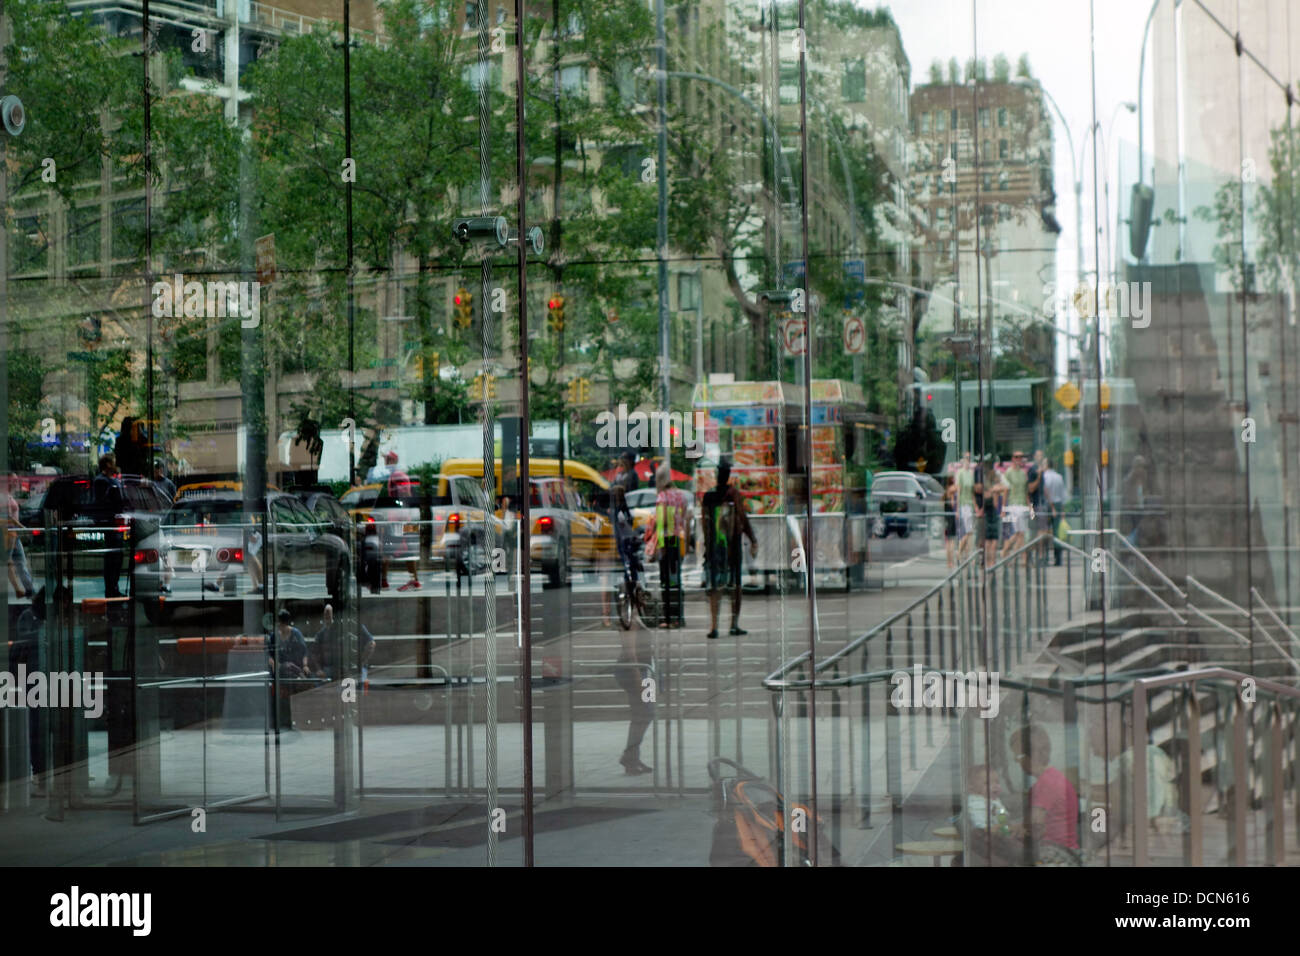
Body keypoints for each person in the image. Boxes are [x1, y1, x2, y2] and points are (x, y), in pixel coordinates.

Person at [699, 459, 757, 639]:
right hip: (732, 545)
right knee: (735, 584)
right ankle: (734, 624)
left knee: (716, 585)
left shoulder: (708, 496)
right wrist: (753, 539)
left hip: (715, 545)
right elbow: (742, 517)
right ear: (728, 475)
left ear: (717, 475)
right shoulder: (734, 494)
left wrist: (708, 544)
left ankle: (714, 626)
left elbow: (704, 522)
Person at [1010, 724, 1080, 860]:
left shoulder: (1045, 785)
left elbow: (1035, 829)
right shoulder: (1054, 777)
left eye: (1017, 756)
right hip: (1067, 851)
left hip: (1053, 854)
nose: (1015, 760)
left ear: (1033, 754)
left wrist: (1006, 832)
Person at [646, 463, 690, 628]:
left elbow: (662, 521)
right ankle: (679, 616)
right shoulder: (682, 496)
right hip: (678, 539)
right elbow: (684, 518)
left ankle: (669, 618)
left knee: (665, 580)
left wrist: (658, 540)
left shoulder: (663, 497)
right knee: (676, 579)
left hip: (666, 540)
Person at [613, 627, 653, 775]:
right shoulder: (629, 616)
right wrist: (638, 679)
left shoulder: (637, 614)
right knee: (645, 714)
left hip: (646, 670)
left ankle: (632, 757)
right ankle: (630, 757)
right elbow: (629, 651)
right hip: (637, 671)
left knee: (644, 714)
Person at [311, 603, 376, 681]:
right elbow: (314, 653)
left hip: (354, 668)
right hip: (332, 669)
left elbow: (371, 644)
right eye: (326, 615)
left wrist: (360, 663)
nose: (328, 618)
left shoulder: (356, 626)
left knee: (358, 685)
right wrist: (319, 670)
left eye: (330, 615)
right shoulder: (322, 633)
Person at [92, 453, 126, 598]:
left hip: (117, 522)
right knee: (112, 557)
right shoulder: (101, 481)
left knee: (117, 556)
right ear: (108, 465)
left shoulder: (112, 480)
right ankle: (111, 589)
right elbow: (104, 501)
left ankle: (114, 586)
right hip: (109, 523)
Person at [1040, 457, 1066, 566]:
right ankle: (1058, 558)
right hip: (1058, 505)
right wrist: (1063, 510)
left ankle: (1044, 557)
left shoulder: (1044, 477)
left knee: (1044, 531)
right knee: (1056, 532)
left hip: (1047, 505)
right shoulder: (1059, 477)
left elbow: (1044, 493)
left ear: (1046, 465)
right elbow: (1063, 495)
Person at [942, 472, 958, 569]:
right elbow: (953, 504)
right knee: (951, 542)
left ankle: (949, 562)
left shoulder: (946, 491)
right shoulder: (952, 491)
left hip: (947, 518)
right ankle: (950, 562)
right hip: (951, 518)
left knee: (948, 541)